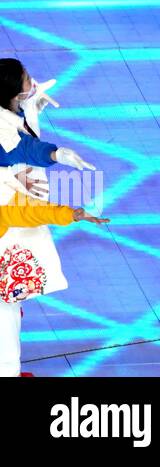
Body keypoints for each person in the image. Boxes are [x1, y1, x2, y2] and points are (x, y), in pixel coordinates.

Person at [0, 58, 108, 378]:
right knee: (6, 316)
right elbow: (21, 150)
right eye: (26, 80)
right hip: (7, 245)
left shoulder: (14, 109)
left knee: (10, 309)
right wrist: (56, 155)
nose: (32, 82)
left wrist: (33, 103)